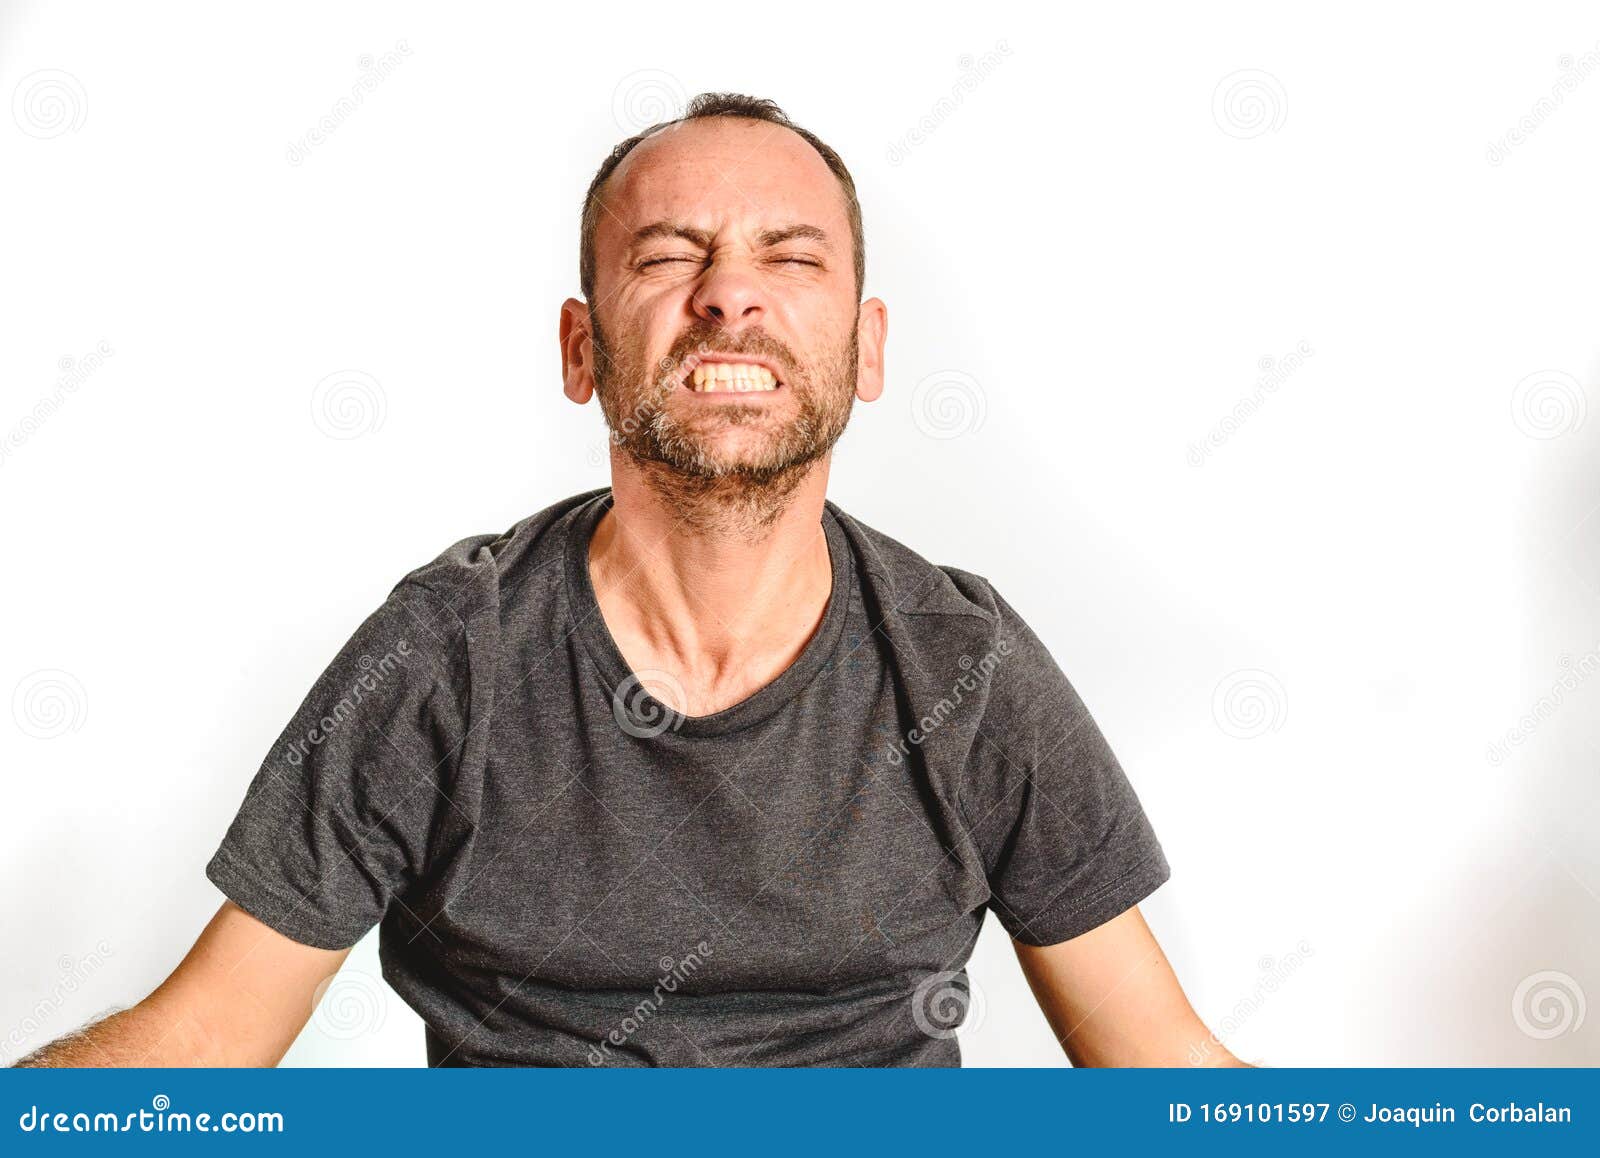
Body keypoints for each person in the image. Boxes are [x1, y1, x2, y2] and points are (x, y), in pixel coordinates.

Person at [16, 93, 1244, 1068]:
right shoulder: (446, 655)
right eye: (668, 255)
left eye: (789, 257)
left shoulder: (960, 666)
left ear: (866, 349)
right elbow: (207, 1039)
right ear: (581, 349)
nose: (729, 292)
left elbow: (1157, 1068)